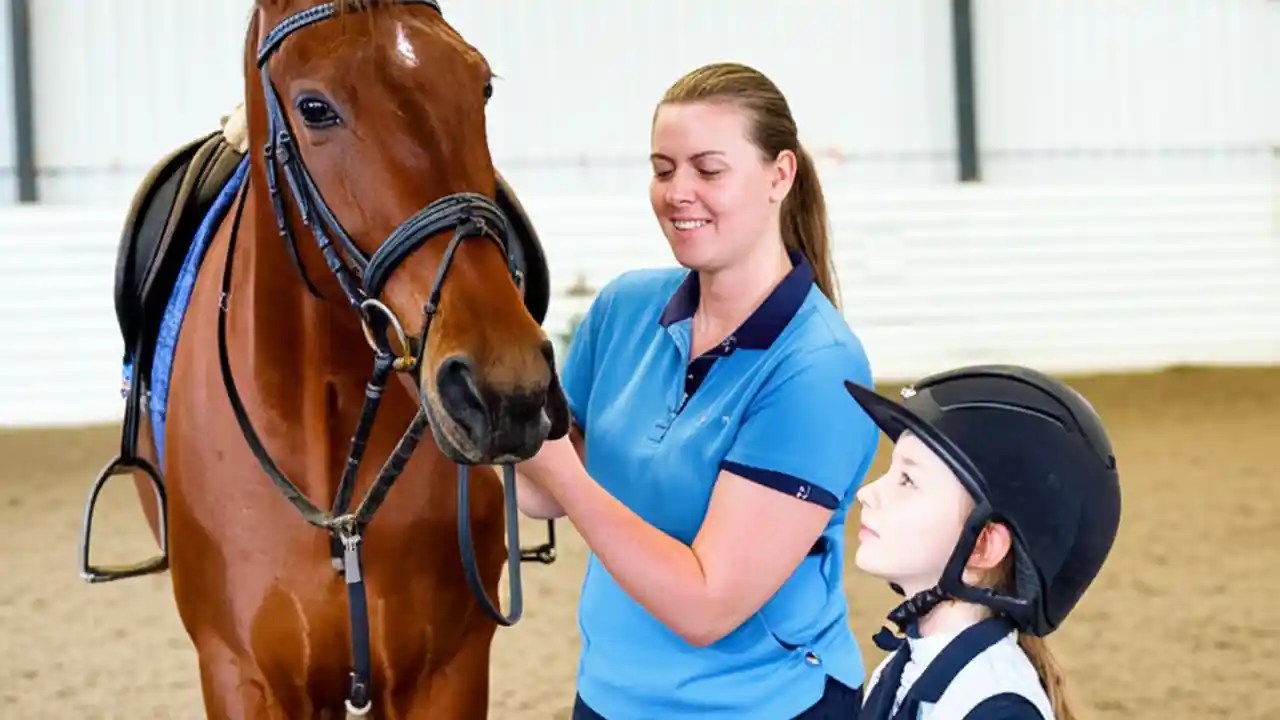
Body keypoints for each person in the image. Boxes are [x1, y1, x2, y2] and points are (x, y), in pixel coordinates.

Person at [514, 61, 879, 718]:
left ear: (780, 175)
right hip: (607, 697)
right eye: (662, 169)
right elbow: (538, 493)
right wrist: (474, 422)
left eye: (708, 170)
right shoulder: (623, 309)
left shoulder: (819, 367)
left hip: (764, 706)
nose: (678, 191)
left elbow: (707, 605)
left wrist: (563, 473)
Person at [842, 365, 1123, 719]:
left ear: (983, 547)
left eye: (907, 480)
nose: (867, 493)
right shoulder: (901, 669)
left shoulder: (993, 704)